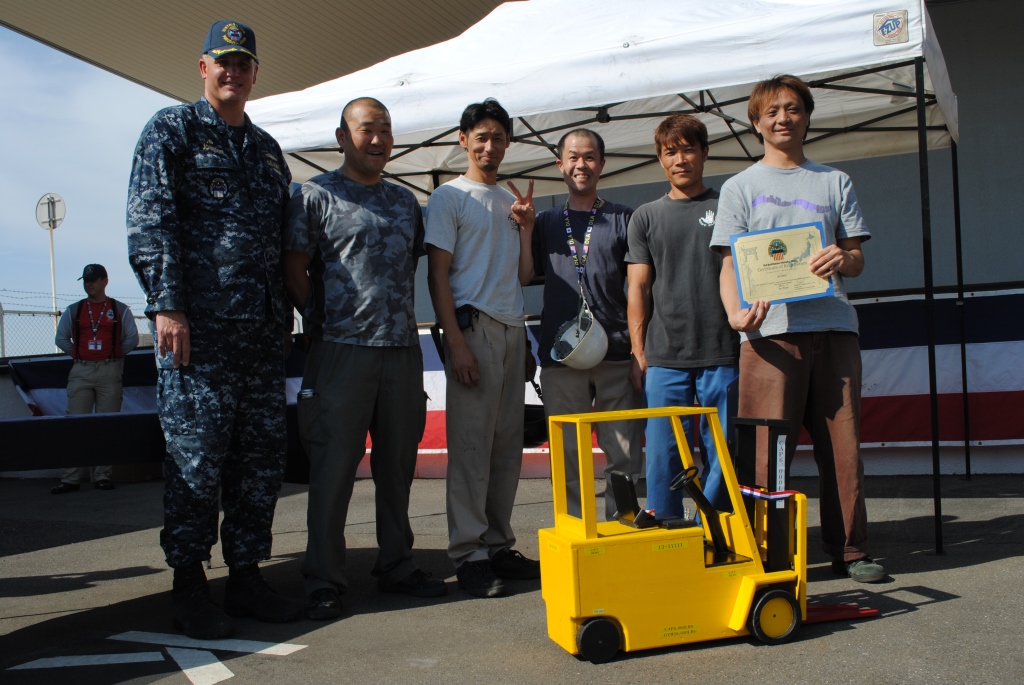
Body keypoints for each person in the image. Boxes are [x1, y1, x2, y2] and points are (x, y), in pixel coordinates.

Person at [127, 20, 301, 639]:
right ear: (203, 67)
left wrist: (285, 316)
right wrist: (167, 305)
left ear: (255, 73)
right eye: (223, 61)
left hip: (260, 332)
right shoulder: (170, 132)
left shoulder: (267, 151)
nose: (234, 71)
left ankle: (248, 575)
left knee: (258, 463)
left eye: (244, 63)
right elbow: (151, 221)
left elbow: (284, 243)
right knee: (196, 460)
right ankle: (191, 585)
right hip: (196, 332)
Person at [710, 74, 885, 583]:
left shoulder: (835, 181)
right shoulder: (740, 188)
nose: (782, 118)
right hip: (767, 334)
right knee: (766, 451)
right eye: (772, 111)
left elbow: (857, 259)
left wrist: (843, 257)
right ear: (756, 122)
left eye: (792, 109)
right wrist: (733, 316)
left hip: (833, 328)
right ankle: (770, 553)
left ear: (806, 116)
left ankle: (852, 551)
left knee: (843, 448)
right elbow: (727, 263)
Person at [283, 97, 446, 621]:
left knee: (398, 466)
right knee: (333, 468)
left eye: (385, 131)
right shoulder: (314, 196)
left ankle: (396, 564)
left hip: (400, 351)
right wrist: (322, 320)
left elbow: (430, 266)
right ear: (341, 137)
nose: (377, 140)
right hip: (340, 353)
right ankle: (324, 578)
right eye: (366, 130)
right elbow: (294, 267)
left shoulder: (404, 202)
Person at [425, 98, 540, 598]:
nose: (489, 145)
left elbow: (524, 275)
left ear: (508, 143)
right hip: (474, 329)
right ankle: (468, 553)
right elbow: (437, 276)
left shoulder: (510, 202)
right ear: (463, 138)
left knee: (505, 450)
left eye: (498, 137)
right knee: (471, 451)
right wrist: (457, 345)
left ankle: (497, 544)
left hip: (514, 327)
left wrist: (528, 227)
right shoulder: (449, 198)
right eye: (481, 136)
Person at [518, 128, 643, 520]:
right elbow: (524, 275)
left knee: (623, 452)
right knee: (568, 454)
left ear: (602, 164)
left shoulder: (623, 218)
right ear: (560, 165)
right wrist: (524, 231)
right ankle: (575, 527)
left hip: (616, 352)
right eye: (573, 157)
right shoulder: (545, 221)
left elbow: (640, 287)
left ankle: (620, 524)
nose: (581, 165)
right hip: (561, 355)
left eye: (589, 157)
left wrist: (640, 351)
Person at [626, 114, 739, 518]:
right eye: (670, 151)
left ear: (705, 152)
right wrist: (639, 352)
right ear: (660, 159)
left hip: (723, 351)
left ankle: (712, 526)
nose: (680, 159)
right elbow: (637, 288)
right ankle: (667, 530)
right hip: (664, 356)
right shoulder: (645, 216)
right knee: (661, 453)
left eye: (688, 148)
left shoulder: (728, 205)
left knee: (724, 452)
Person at [51, 263, 139, 494]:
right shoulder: (75, 310)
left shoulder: (120, 309)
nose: (89, 284)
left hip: (110, 371)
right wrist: (78, 354)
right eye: (86, 280)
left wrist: (115, 353)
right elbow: (61, 339)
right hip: (81, 371)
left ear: (105, 281)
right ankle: (70, 478)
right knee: (75, 424)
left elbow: (132, 338)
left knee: (106, 425)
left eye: (94, 279)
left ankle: (103, 475)